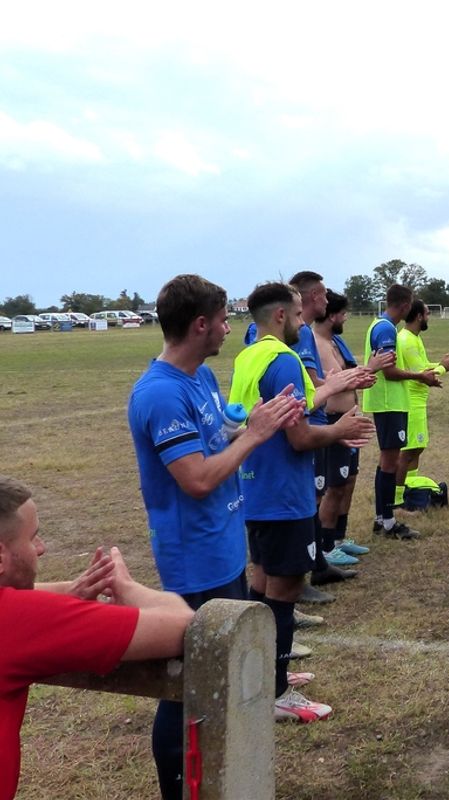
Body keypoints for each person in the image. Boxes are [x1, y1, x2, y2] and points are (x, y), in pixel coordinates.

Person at [128, 274, 304, 798]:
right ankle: (178, 784)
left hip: (224, 547)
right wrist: (255, 436)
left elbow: (214, 438)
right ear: (200, 324)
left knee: (216, 674)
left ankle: (219, 776)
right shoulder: (159, 394)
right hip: (194, 560)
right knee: (187, 683)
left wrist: (249, 422)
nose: (231, 329)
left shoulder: (200, 377)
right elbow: (198, 479)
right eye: (224, 319)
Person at [229, 282, 375, 724]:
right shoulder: (285, 359)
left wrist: (332, 388)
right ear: (279, 316)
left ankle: (259, 673)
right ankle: (274, 692)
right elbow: (298, 437)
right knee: (286, 590)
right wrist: (340, 429)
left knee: (262, 581)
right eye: (297, 315)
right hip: (284, 492)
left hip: (254, 487)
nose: (301, 323)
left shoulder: (248, 355)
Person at [0, 475, 194, 800]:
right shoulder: (16, 617)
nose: (41, 548)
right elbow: (183, 623)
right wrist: (127, 587)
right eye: (32, 538)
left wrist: (66, 593)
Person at [288, 271, 375, 586]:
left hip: (328, 422)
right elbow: (312, 388)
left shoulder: (308, 336)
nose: (327, 300)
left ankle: (322, 555)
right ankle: (313, 560)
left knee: (334, 487)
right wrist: (348, 379)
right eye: (324, 295)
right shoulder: (304, 336)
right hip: (315, 425)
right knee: (315, 495)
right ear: (314, 297)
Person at [313, 291, 393, 563]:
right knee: (334, 486)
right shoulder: (317, 344)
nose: (346, 317)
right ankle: (325, 547)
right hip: (334, 421)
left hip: (348, 419)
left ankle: (338, 537)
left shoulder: (334, 341)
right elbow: (324, 385)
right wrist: (370, 368)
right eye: (344, 313)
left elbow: (348, 375)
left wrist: (364, 373)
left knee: (348, 481)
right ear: (332, 315)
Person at [362, 284, 437, 539]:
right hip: (388, 402)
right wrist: (420, 376)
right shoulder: (385, 329)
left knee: (387, 460)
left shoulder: (379, 325)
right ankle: (389, 522)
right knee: (390, 461)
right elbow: (389, 372)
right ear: (405, 305)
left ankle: (382, 517)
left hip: (387, 402)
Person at [395, 300, 449, 506]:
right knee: (409, 450)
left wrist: (441, 364)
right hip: (411, 402)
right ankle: (399, 498)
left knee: (417, 447)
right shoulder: (407, 340)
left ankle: (410, 489)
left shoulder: (412, 338)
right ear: (418, 316)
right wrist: (445, 367)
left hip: (417, 400)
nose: (429, 317)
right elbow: (422, 374)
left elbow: (423, 367)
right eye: (427, 314)